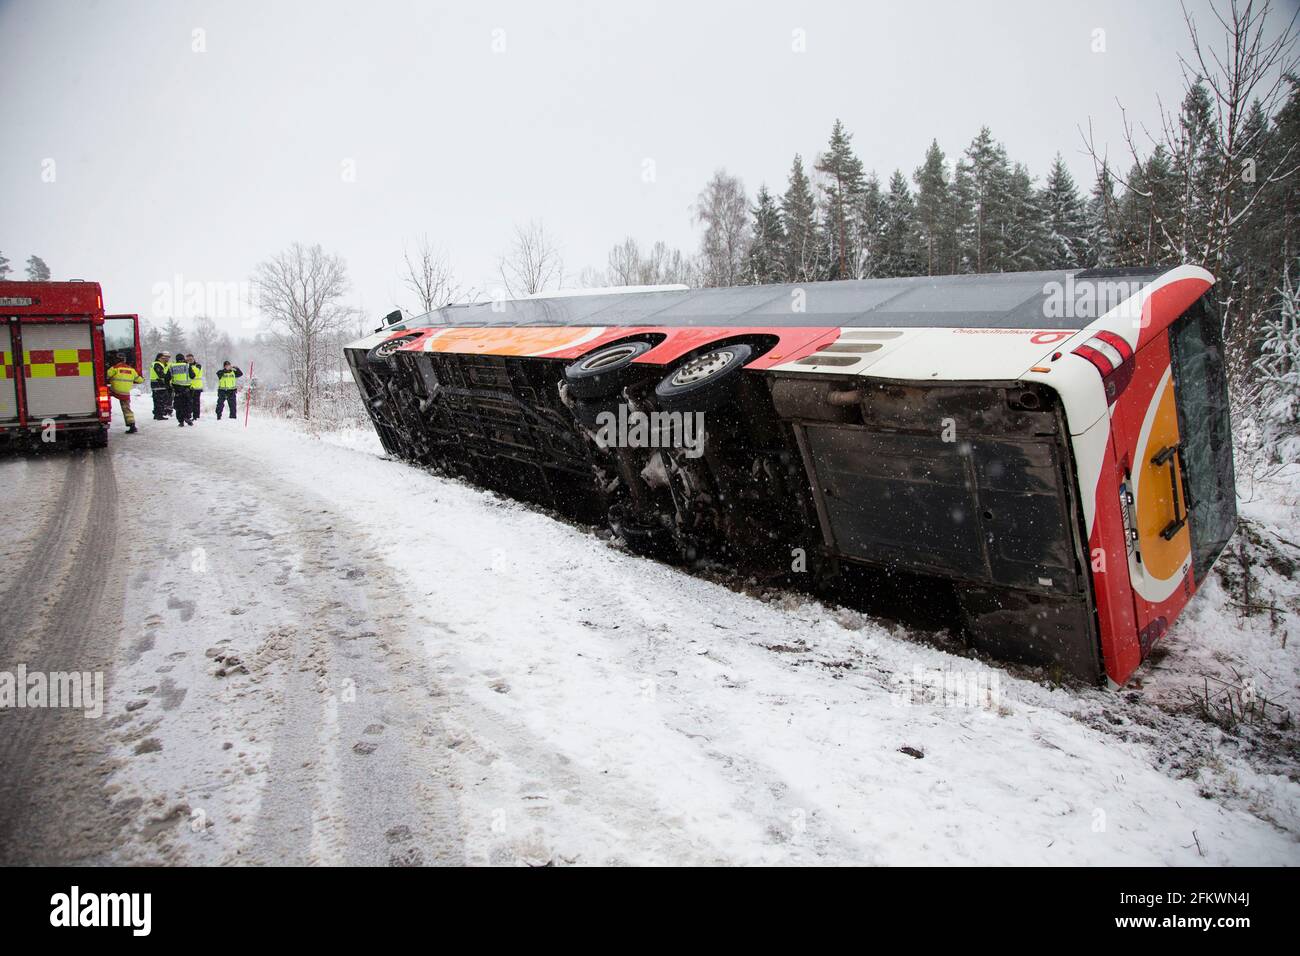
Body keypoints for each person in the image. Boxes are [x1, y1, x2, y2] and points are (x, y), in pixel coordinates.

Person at [106, 353, 144, 434]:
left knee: (103, 398)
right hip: (125, 393)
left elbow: (106, 375)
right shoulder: (131, 369)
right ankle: (132, 425)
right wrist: (142, 379)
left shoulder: (115, 368)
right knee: (127, 409)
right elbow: (139, 380)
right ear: (124, 360)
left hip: (114, 391)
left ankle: (106, 414)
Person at [168, 353, 193, 426]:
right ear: (183, 359)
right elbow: (192, 375)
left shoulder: (172, 366)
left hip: (177, 389)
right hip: (186, 388)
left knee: (178, 405)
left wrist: (170, 386)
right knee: (187, 404)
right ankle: (187, 417)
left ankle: (180, 421)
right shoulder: (187, 366)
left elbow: (167, 378)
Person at [150, 351, 172, 419]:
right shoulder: (157, 364)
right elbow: (161, 374)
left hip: (158, 384)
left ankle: (157, 414)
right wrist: (167, 377)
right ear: (159, 358)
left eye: (164, 358)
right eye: (162, 358)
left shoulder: (160, 364)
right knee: (160, 400)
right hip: (158, 384)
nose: (164, 359)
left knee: (158, 400)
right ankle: (159, 415)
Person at [188, 354, 204, 422]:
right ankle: (189, 415)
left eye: (191, 359)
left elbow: (194, 374)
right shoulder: (186, 366)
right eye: (188, 360)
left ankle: (196, 416)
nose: (189, 361)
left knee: (196, 402)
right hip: (189, 386)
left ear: (193, 359)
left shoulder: (198, 366)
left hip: (197, 386)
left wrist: (188, 367)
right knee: (189, 402)